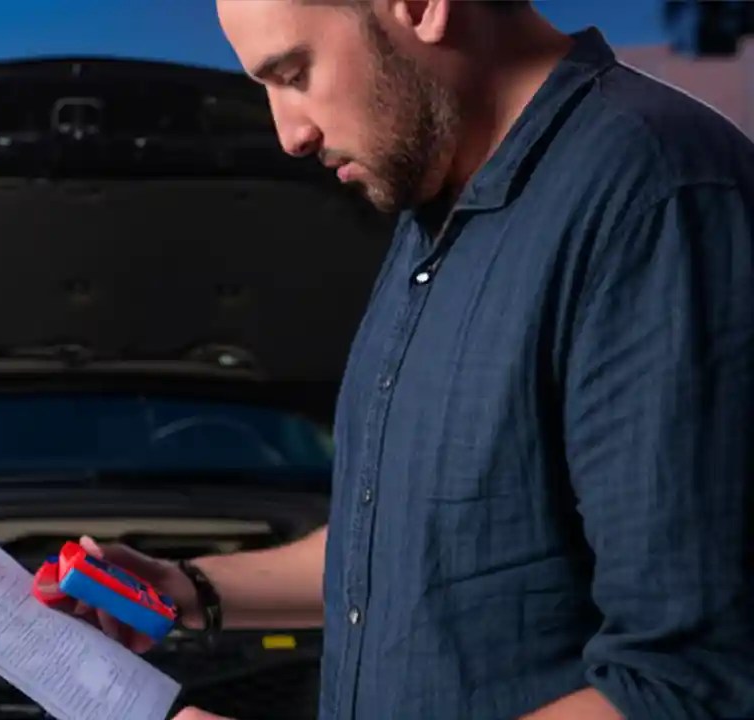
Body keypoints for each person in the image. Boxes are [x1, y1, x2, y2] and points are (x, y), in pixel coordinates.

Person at [68, 1, 754, 718]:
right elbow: (401, 538)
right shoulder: (435, 203)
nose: (289, 135)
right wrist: (187, 588)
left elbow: (688, 686)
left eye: (295, 73)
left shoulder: (657, 199)